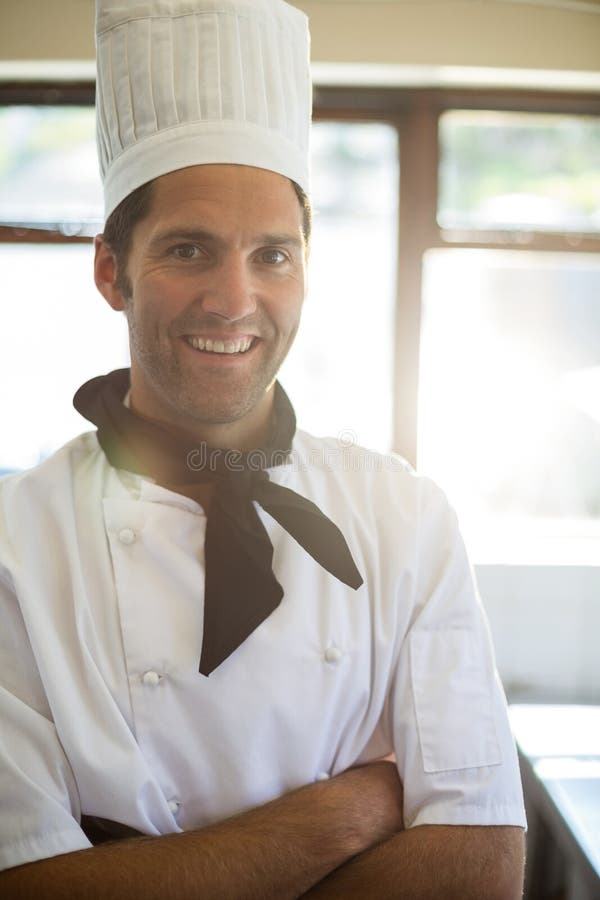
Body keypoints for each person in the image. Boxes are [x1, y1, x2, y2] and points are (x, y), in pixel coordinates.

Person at [0, 0, 527, 896]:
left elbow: (480, 867)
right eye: (190, 249)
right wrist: (352, 812)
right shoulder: (14, 543)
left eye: (272, 255)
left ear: (307, 270)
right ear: (109, 271)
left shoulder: (404, 515)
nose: (234, 299)